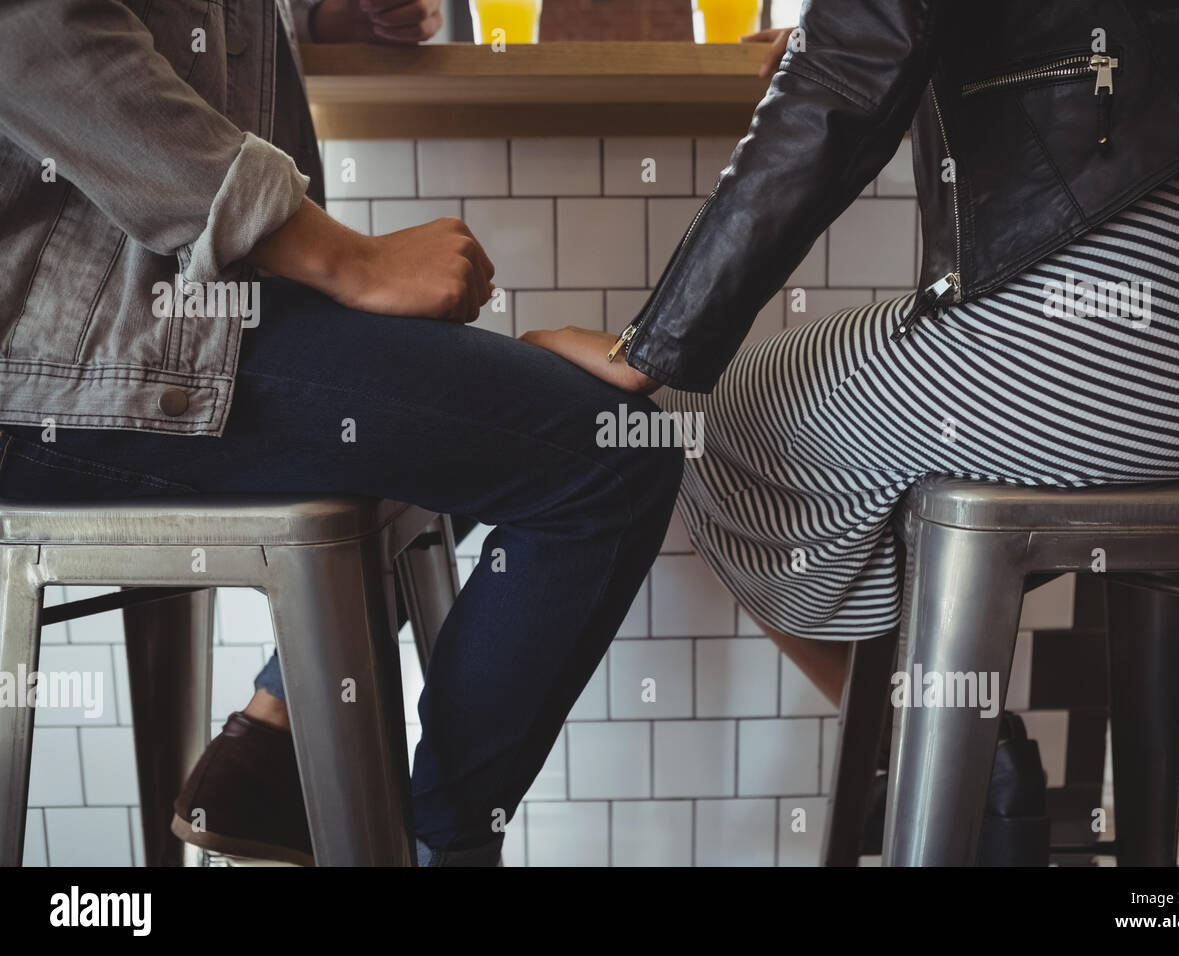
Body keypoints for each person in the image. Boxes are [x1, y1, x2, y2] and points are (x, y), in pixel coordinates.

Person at [0, 0, 681, 866]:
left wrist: (322, 18)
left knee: (493, 429)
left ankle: (269, 744)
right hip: (58, 360)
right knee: (607, 458)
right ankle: (446, 844)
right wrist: (342, 257)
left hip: (170, 317)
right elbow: (34, 33)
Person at [524, 0, 1179, 707]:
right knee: (877, 450)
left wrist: (650, 350)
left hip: (1090, 363)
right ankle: (959, 762)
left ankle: (948, 765)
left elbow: (841, 79)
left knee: (685, 419)